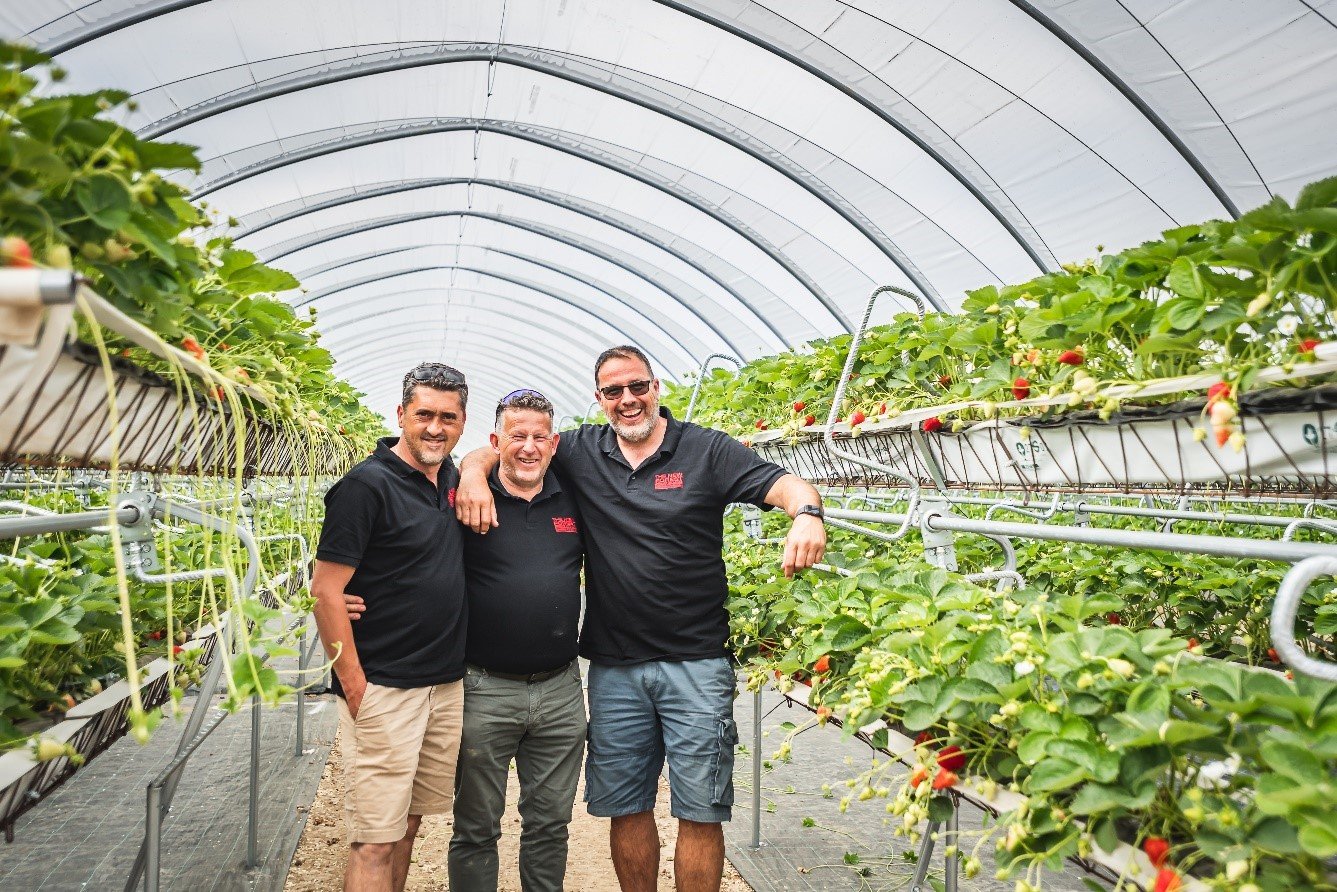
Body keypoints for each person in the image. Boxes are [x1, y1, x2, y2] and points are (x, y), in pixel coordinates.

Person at [455, 346, 826, 892]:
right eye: (613, 391)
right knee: (625, 805)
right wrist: (470, 473)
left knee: (701, 809)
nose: (627, 400)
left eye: (637, 386)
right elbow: (508, 447)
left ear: (656, 388)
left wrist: (808, 515)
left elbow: (785, 485)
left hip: (696, 663)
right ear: (599, 398)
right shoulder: (580, 449)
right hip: (615, 667)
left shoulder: (706, 450)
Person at [344, 389, 587, 892]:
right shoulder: (457, 491)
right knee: (476, 825)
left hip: (562, 689)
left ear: (554, 443)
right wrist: (344, 592)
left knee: (550, 823)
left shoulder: (576, 495)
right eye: (516, 436)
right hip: (482, 687)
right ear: (495, 441)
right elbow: (399, 550)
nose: (529, 446)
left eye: (540, 437)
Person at [311, 362, 470, 892]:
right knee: (374, 838)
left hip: (444, 686)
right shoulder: (365, 486)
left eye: (447, 417)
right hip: (384, 687)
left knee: (408, 824)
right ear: (400, 414)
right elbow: (326, 590)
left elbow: (501, 453)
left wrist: (473, 469)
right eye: (423, 414)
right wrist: (356, 687)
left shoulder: (452, 478)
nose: (434, 427)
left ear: (462, 423)